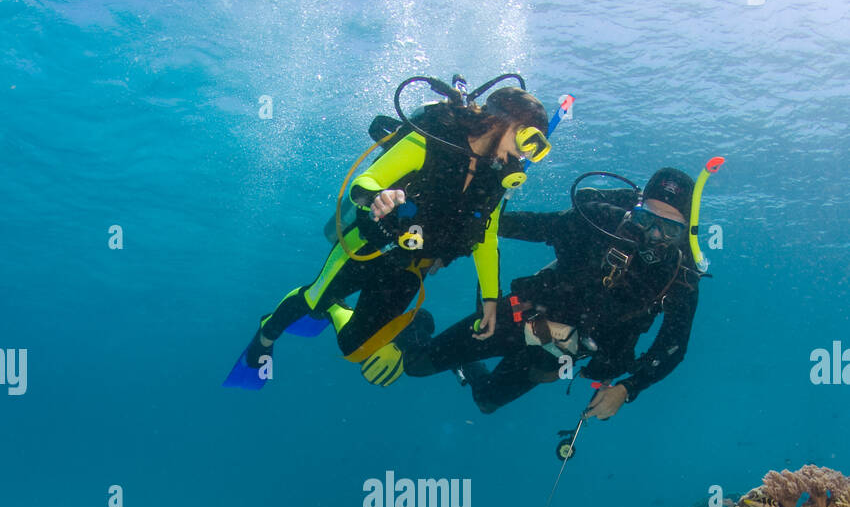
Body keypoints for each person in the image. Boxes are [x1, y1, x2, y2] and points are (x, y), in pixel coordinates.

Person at [233, 82, 550, 387]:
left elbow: (486, 239)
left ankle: (337, 309)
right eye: (527, 141)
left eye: (534, 151)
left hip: (412, 266)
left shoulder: (495, 179)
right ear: (499, 120)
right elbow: (365, 182)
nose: (523, 156)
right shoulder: (432, 137)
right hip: (371, 246)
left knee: (354, 349)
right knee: (315, 300)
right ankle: (266, 335)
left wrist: (491, 302)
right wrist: (377, 198)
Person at [401, 168, 702, 416]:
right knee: (416, 365)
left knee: (486, 401)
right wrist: (450, 245)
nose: (653, 235)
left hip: (558, 353)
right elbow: (523, 225)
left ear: (685, 231)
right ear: (634, 211)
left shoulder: (681, 275)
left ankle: (465, 364)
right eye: (646, 220)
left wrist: (626, 390)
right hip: (521, 314)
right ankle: (417, 324)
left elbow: (673, 346)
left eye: (669, 229)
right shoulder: (599, 221)